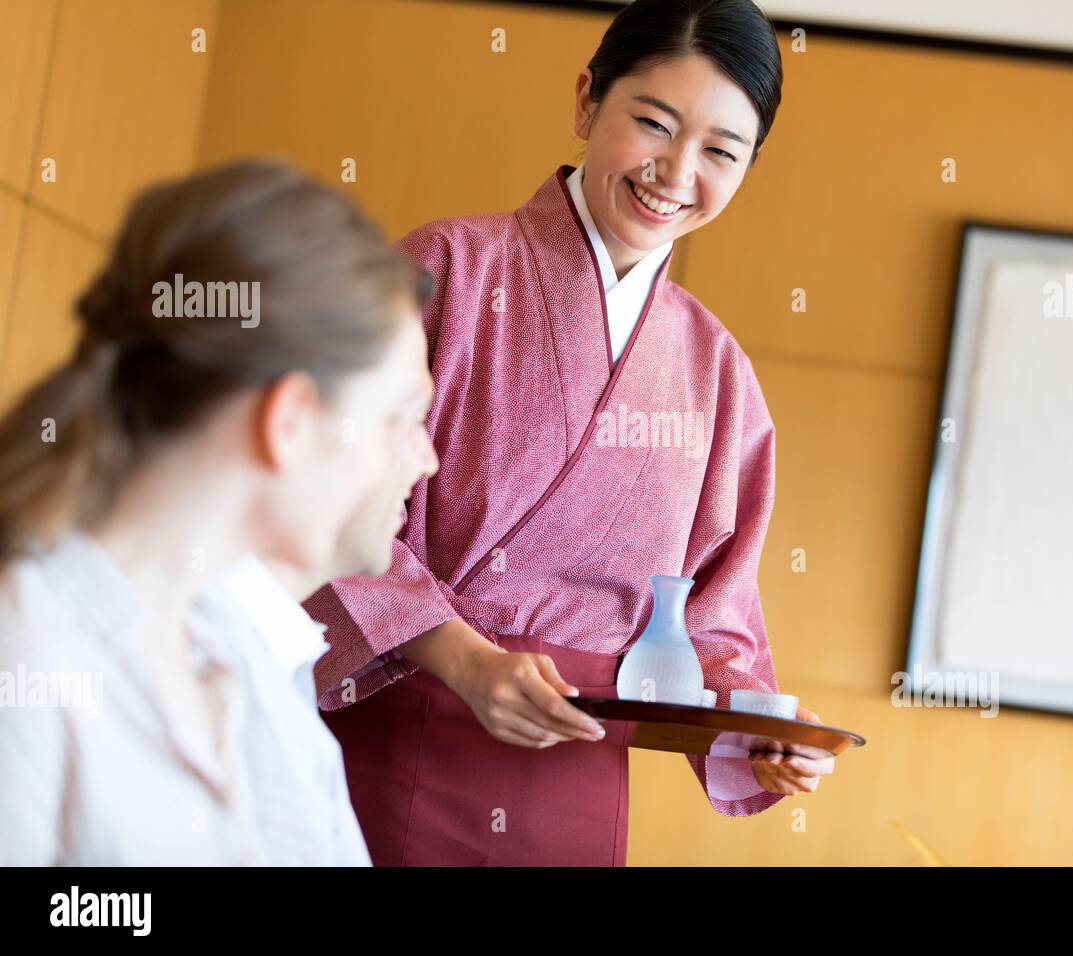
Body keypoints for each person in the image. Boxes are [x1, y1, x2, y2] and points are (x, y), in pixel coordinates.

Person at [307, 0, 833, 867]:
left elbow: (714, 622)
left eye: (720, 152)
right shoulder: (446, 269)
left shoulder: (717, 370)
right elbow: (326, 504)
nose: (676, 172)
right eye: (654, 124)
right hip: (402, 728)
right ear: (588, 101)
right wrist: (468, 663)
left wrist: (760, 726)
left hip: (580, 779)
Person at [0, 159, 438, 864]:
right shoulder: (25, 652)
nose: (428, 459)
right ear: (291, 419)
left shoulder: (228, 656)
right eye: (402, 417)